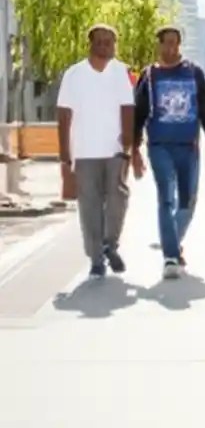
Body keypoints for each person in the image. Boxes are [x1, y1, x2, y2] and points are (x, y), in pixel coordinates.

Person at [132, 26, 205, 279]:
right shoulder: (149, 76)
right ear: (159, 45)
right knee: (165, 199)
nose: (171, 48)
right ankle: (170, 256)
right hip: (159, 146)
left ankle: (171, 238)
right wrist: (135, 149)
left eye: (175, 43)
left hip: (188, 147)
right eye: (166, 43)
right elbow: (138, 114)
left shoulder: (193, 72)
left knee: (187, 202)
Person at [56, 25, 137, 279]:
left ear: (115, 45)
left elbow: (128, 108)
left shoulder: (120, 72)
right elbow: (63, 114)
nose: (104, 45)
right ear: (90, 44)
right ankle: (96, 258)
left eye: (109, 42)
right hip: (84, 151)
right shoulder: (74, 74)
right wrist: (64, 156)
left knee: (118, 198)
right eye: (99, 41)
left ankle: (109, 244)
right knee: (89, 206)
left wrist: (128, 145)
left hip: (115, 150)